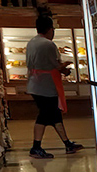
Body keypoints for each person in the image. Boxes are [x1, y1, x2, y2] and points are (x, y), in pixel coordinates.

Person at [26, 14, 82, 159]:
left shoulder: (32, 42)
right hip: (45, 86)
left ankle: (67, 144)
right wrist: (65, 68)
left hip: (35, 84)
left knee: (54, 115)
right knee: (44, 116)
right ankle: (35, 147)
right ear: (50, 29)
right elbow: (55, 65)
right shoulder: (48, 44)